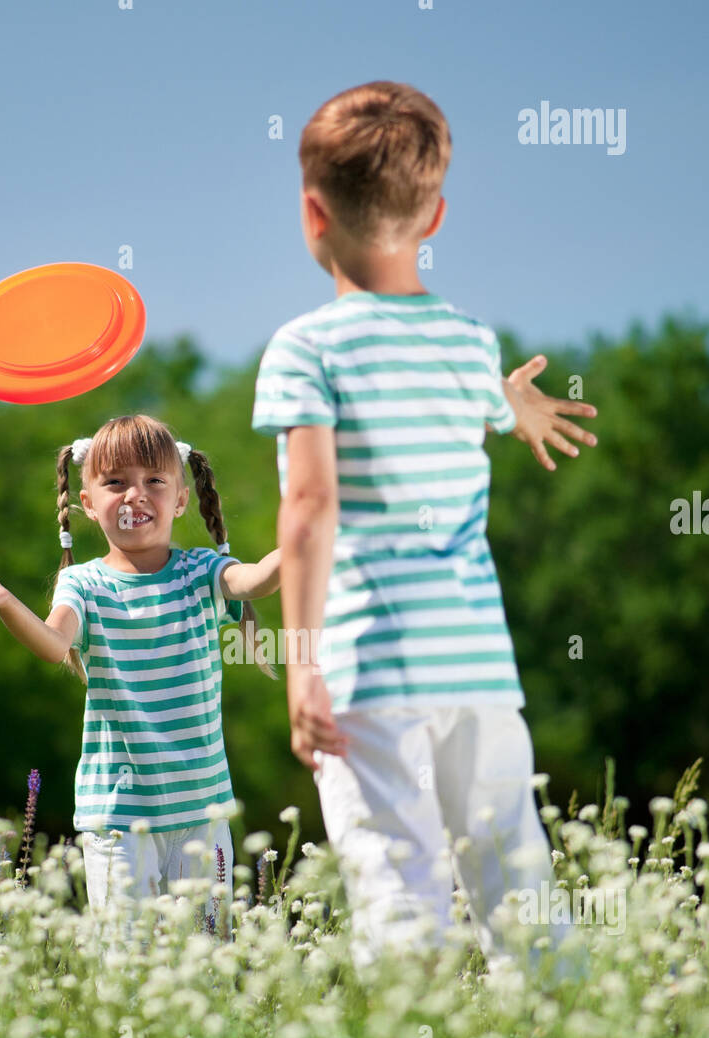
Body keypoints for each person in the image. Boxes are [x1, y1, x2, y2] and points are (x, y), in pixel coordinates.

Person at [251, 81, 598, 973]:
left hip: (371, 672)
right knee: (519, 893)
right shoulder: (468, 341)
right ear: (435, 214)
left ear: (310, 213)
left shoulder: (305, 349)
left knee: (397, 899)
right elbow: (480, 398)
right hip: (479, 671)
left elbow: (311, 506)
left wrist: (299, 669)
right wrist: (514, 406)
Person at [0, 413, 280, 940]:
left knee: (208, 962)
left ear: (181, 499)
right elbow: (53, 645)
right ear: (88, 504)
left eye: (154, 481)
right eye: (115, 482)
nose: (135, 495)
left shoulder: (202, 572)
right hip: (117, 818)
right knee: (126, 970)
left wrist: (308, 534)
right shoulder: (84, 584)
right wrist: (4, 601)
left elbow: (256, 579)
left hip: (201, 812)